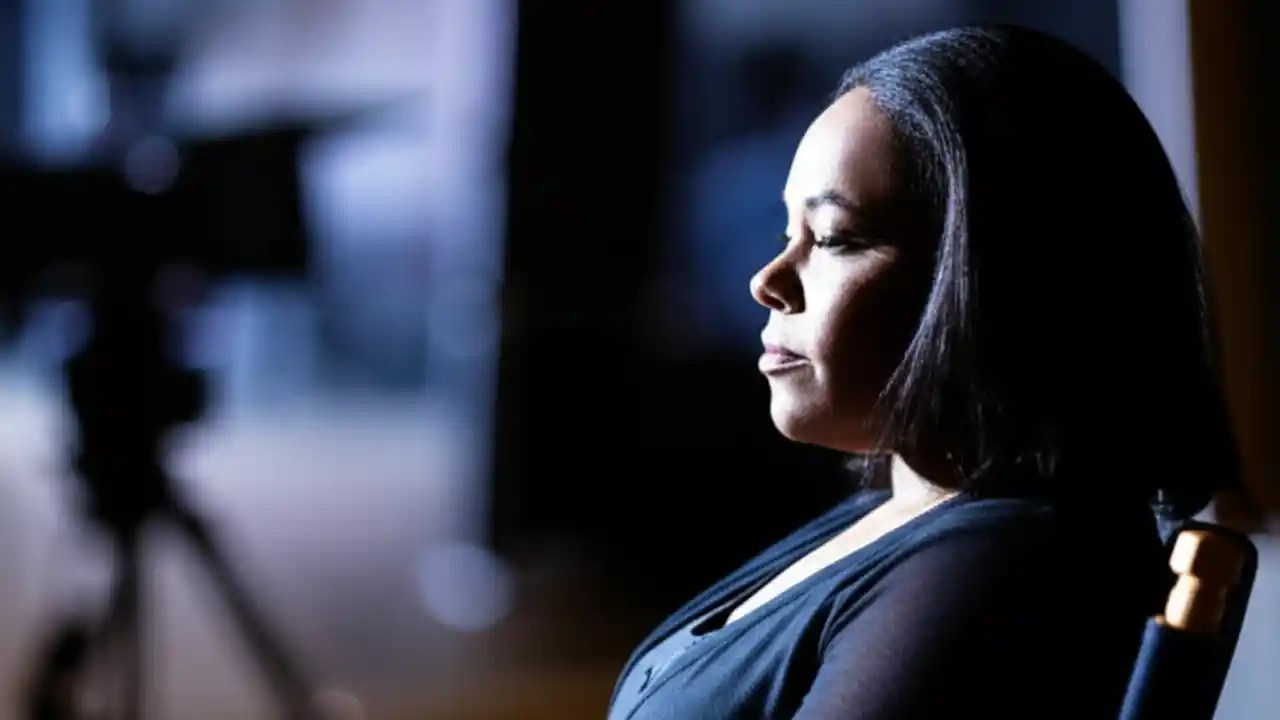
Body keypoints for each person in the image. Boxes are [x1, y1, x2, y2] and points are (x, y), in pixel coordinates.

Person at [607, 25, 1240, 719]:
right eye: (786, 234)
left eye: (836, 239)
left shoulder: (991, 571)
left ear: (999, 273)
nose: (769, 280)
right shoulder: (910, 517)